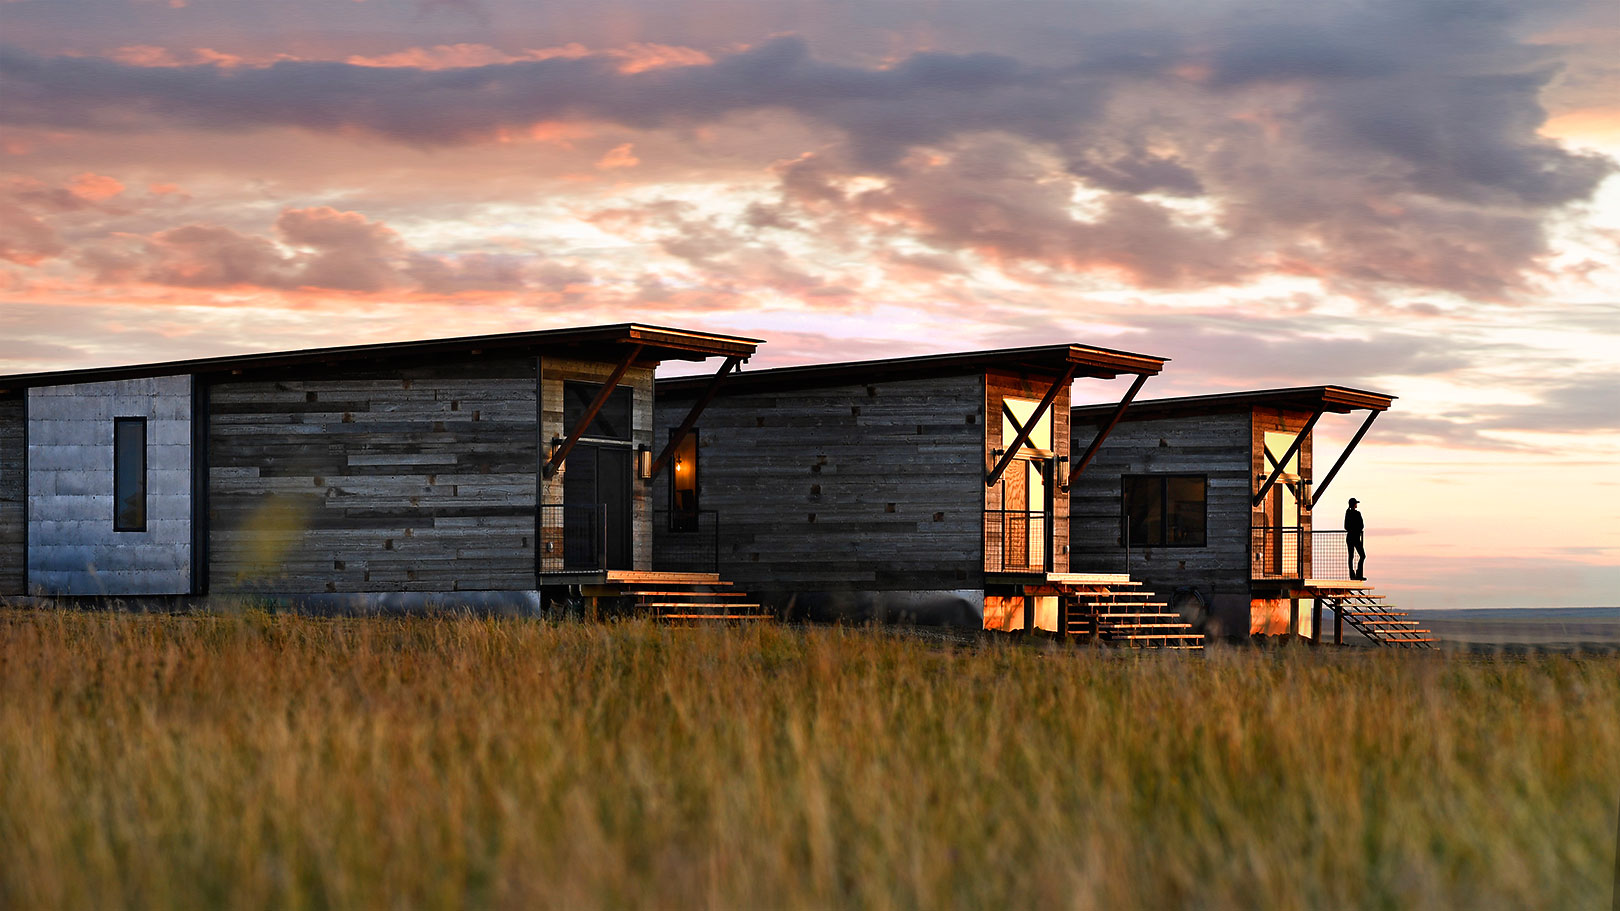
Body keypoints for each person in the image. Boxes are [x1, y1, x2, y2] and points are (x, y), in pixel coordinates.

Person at [1345, 497, 1366, 580]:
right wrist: (1357, 529)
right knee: (1362, 555)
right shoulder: (1357, 514)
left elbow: (1346, 526)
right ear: (1354, 504)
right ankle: (1358, 574)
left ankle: (1352, 574)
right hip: (1356, 537)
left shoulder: (1348, 513)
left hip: (1350, 537)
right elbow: (1361, 525)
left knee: (1351, 556)